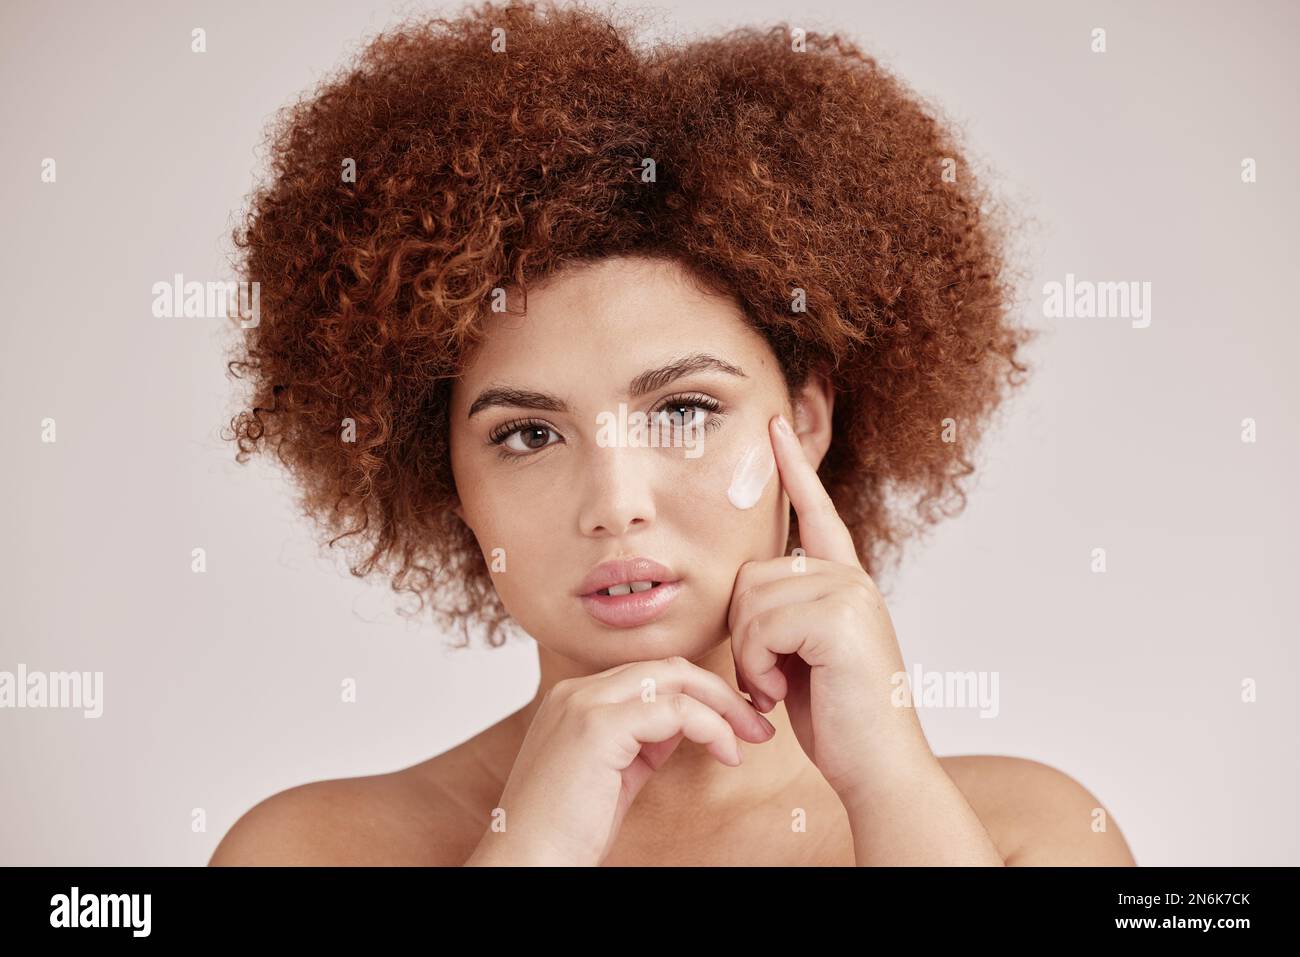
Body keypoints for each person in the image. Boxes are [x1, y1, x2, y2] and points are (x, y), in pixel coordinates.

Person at [209, 0, 1136, 866]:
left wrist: (889, 788)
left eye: (685, 411)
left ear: (804, 420)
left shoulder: (1024, 834)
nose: (616, 506)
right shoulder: (314, 848)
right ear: (441, 469)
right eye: (529, 434)